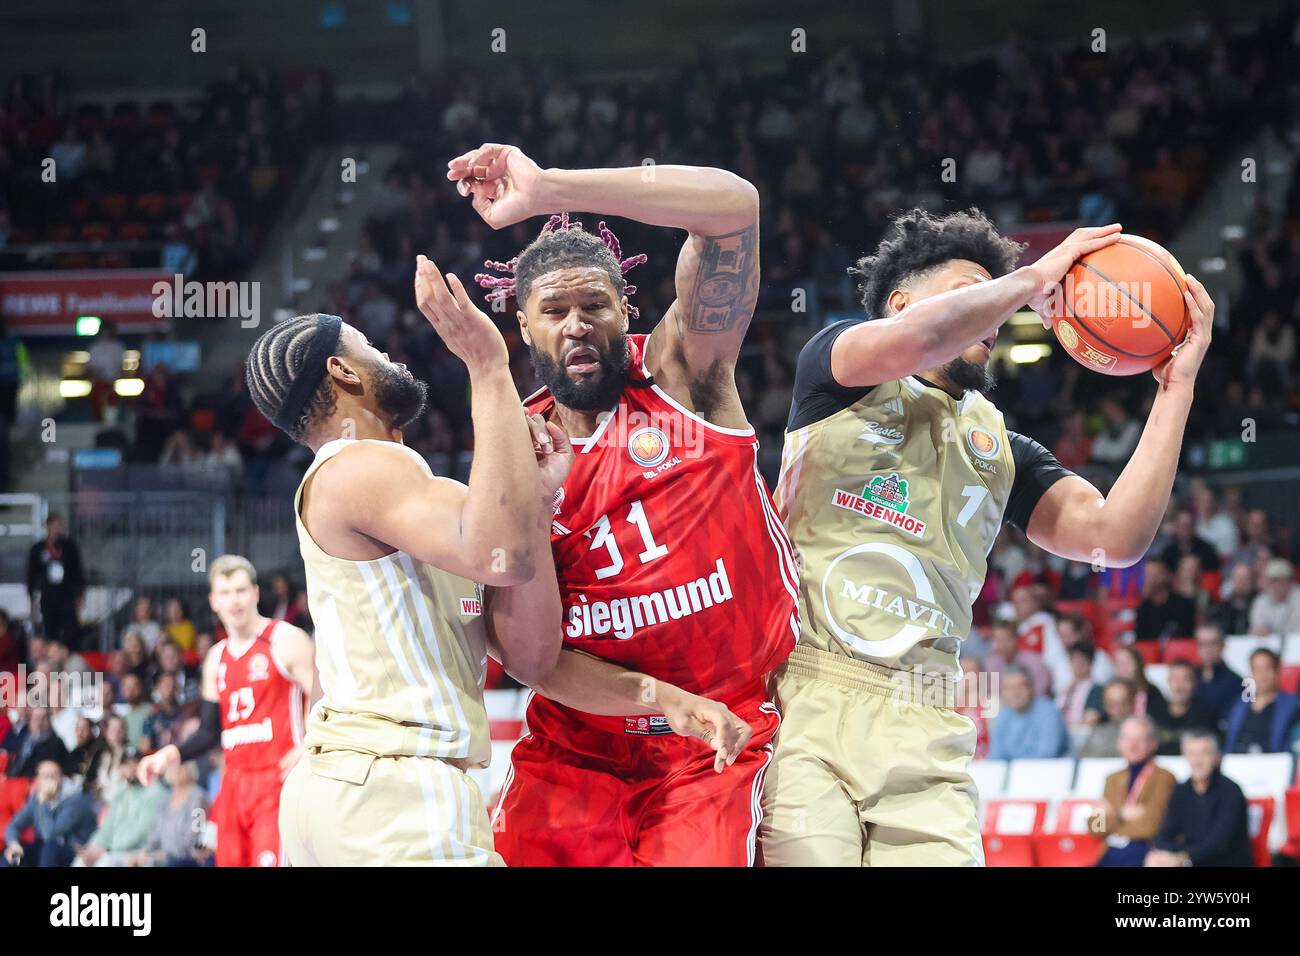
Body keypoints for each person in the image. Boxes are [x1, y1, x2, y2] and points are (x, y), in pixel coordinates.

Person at [760, 208, 1214, 865]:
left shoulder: (1002, 447)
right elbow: (915, 344)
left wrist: (1177, 388)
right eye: (965, 293)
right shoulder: (834, 370)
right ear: (901, 303)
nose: (990, 318)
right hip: (807, 691)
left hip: (928, 711)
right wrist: (1031, 278)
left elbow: (1114, 538)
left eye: (994, 305)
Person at [457, 143, 797, 867]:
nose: (577, 324)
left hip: (715, 731)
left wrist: (551, 187)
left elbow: (735, 210)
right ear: (522, 326)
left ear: (625, 309)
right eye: (554, 310)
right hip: (576, 743)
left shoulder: (685, 376)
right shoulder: (514, 447)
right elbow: (531, 659)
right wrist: (652, 695)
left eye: (594, 305)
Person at [241, 276, 578, 863]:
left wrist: (538, 506)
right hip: (389, 789)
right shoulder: (355, 467)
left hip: (358, 794)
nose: (389, 355)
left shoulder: (407, 496)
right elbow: (498, 547)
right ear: (345, 374)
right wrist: (487, 366)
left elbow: (529, 656)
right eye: (370, 346)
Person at [138, 555, 315, 867]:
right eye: (225, 593)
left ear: (256, 593)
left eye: (241, 590)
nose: (234, 600)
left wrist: (311, 742)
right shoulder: (216, 659)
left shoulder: (285, 640)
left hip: (277, 785)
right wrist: (170, 755)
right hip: (233, 786)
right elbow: (209, 731)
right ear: (213, 601)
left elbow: (329, 695)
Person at [1147, 730, 1253, 867]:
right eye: (1192, 754)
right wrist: (1169, 856)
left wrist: (1184, 858)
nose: (1197, 761)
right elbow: (1164, 835)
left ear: (1216, 756)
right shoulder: (1180, 791)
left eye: (1204, 753)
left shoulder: (1231, 791)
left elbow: (1220, 843)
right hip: (1192, 859)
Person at [1096, 716, 1176, 866]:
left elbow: (1151, 826)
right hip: (1111, 853)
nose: (1132, 745)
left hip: (1144, 853)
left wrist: (1112, 817)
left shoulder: (1164, 778)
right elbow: (1096, 828)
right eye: (1127, 738)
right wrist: (1120, 813)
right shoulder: (1112, 779)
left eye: (1139, 739)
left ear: (1153, 743)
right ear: (1119, 743)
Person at [75, 749, 166, 867]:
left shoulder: (155, 792)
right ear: (120, 768)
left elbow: (142, 832)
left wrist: (107, 850)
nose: (132, 768)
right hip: (114, 851)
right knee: (79, 863)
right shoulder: (120, 794)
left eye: (136, 763)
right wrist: (93, 848)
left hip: (139, 852)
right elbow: (106, 829)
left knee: (104, 863)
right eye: (127, 764)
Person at [2, 760, 97, 867]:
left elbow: (50, 834)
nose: (50, 780)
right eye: (45, 776)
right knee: (11, 857)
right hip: (45, 848)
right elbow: (14, 825)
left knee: (49, 849)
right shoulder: (36, 798)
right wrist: (13, 844)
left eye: (53, 775)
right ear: (38, 780)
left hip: (73, 850)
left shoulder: (75, 799)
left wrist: (44, 801)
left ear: (61, 778)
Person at [129, 761, 211, 867]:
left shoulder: (200, 798)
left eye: (181, 765)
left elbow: (196, 836)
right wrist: (145, 852)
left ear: (190, 769)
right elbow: (156, 832)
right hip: (161, 856)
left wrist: (165, 854)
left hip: (185, 860)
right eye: (172, 766)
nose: (176, 769)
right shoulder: (166, 798)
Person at [1223, 648, 1300, 754]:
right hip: (1237, 764)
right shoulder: (1239, 706)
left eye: (1267, 668)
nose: (1263, 675)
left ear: (1277, 671)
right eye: (1257, 670)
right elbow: (1229, 742)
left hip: (1276, 764)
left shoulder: (1292, 706)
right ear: (1251, 674)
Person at [25, 513, 85, 647]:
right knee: (50, 628)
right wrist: (32, 596)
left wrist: (80, 593)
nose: (57, 528)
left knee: (71, 628)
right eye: (54, 525)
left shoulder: (69, 546)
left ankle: (70, 653)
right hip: (48, 595)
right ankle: (51, 656)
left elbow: (77, 571)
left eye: (59, 525)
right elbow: (32, 574)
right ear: (48, 526)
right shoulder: (38, 548)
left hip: (66, 595)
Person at [987, 667, 1068, 760]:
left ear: (1031, 688)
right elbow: (996, 756)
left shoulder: (1049, 712)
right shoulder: (1003, 716)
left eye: (1020, 686)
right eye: (1009, 688)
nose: (1015, 693)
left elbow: (1047, 755)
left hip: (1048, 771)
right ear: (1003, 692)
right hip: (1014, 772)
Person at [1155, 660, 1220, 755]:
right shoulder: (1155, 711)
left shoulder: (1206, 714)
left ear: (1194, 683)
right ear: (1168, 682)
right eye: (1175, 679)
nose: (1179, 686)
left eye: (1185, 679)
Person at [1193, 623, 1243, 724]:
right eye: (1202, 643)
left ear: (1223, 645)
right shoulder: (1190, 677)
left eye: (1212, 643)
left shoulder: (1237, 682)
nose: (1207, 649)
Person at [1134, 560, 1196, 640]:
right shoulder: (1142, 609)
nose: (1145, 579)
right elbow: (1141, 643)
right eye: (1144, 574)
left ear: (1165, 576)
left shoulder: (1184, 606)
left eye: (1151, 575)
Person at [1079, 679, 1138, 759]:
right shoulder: (1097, 733)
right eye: (1111, 704)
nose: (1117, 709)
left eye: (1122, 703)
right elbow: (1085, 760)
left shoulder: (1144, 731)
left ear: (1132, 703)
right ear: (1104, 705)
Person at [10, 706, 71, 777]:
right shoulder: (24, 737)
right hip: (16, 781)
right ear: (30, 720)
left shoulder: (56, 743)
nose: (39, 722)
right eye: (36, 718)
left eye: (43, 718)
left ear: (49, 720)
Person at [1249, 558, 1300, 637]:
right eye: (1273, 580)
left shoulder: (1298, 598)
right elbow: (1256, 627)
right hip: (1268, 645)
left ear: (1289, 581)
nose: (1276, 585)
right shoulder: (1261, 601)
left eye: (1280, 580)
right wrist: (1259, 631)